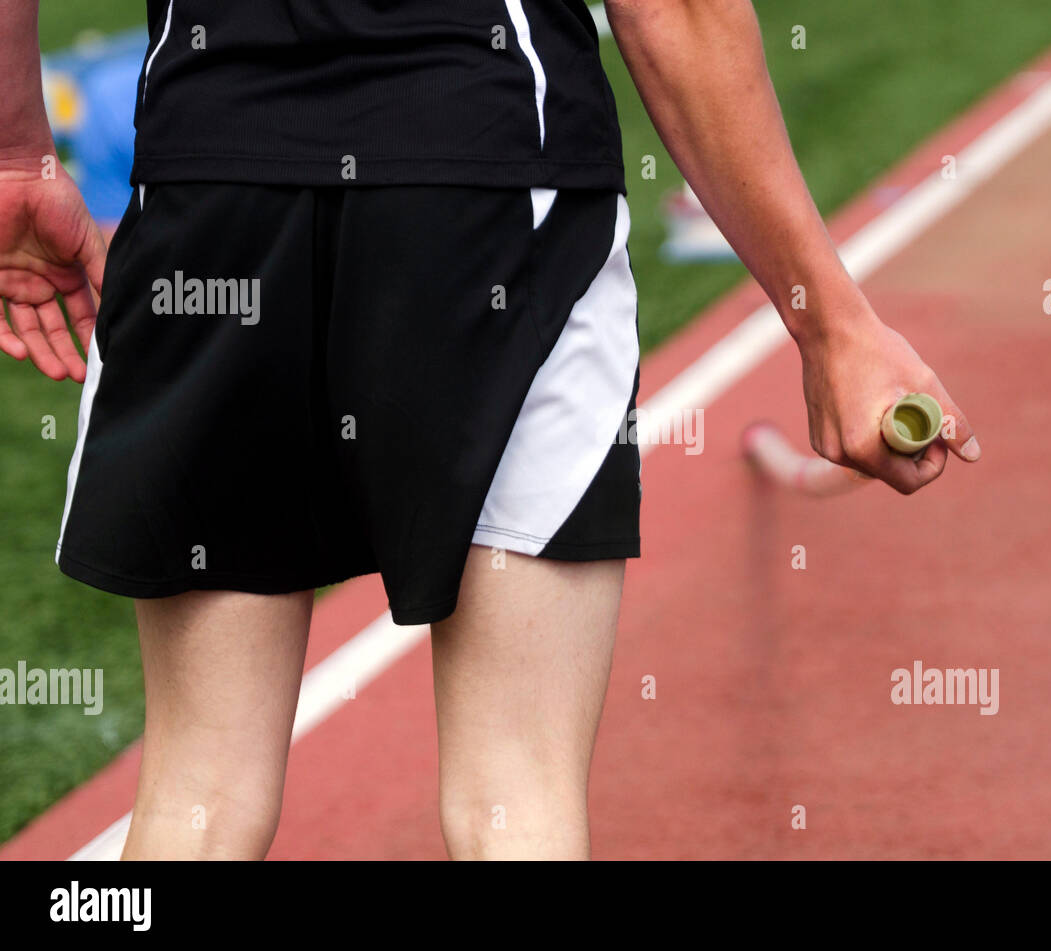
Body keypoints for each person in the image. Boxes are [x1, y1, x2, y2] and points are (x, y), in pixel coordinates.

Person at [0, 0, 980, 860]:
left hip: (211, 199)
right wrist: (832, 325)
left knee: (198, 805)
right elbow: (671, 7)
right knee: (515, 802)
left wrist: (12, 154)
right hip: (494, 190)